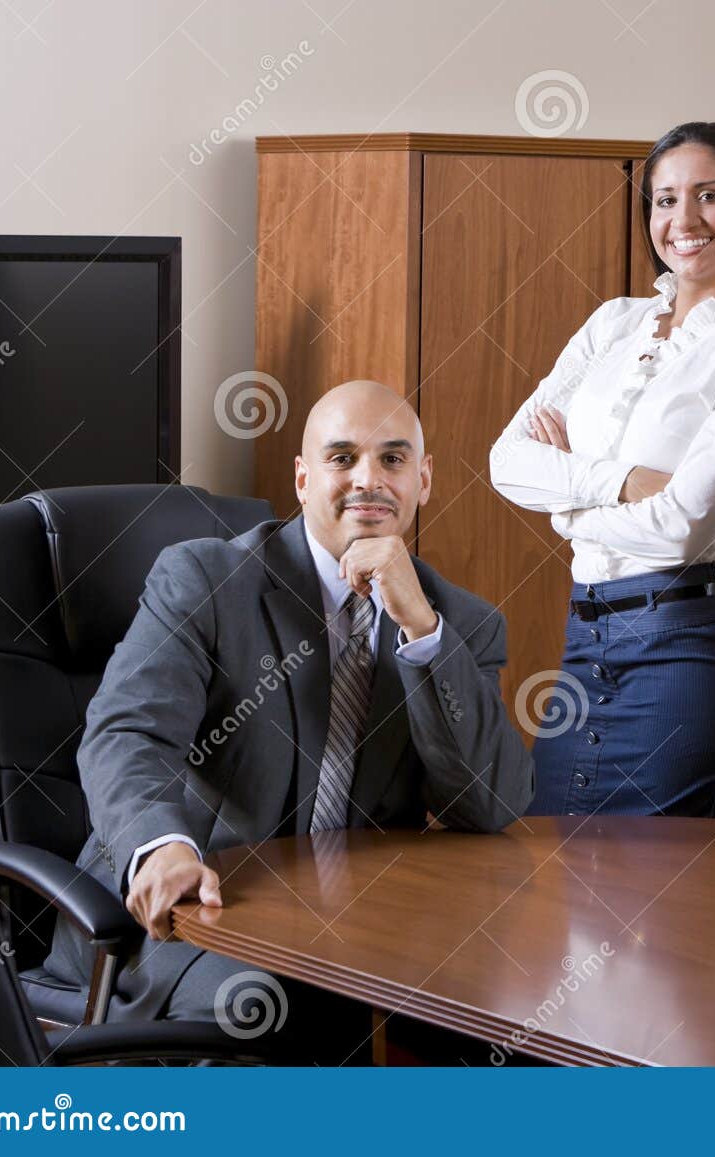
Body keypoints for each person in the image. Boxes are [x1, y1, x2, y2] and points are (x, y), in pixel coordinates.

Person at [45, 380, 533, 1055]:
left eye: (393, 460)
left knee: (507, 1017)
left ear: (423, 482)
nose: (369, 479)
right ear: (303, 480)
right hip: (195, 925)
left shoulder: (461, 624)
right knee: (282, 1015)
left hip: (357, 932)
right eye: (342, 458)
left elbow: (491, 802)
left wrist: (420, 630)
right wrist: (161, 845)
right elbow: (128, 734)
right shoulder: (209, 580)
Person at [490, 122, 715, 819]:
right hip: (584, 640)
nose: (682, 220)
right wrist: (623, 482)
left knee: (670, 906)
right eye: (663, 200)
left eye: (709, 196)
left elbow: (680, 529)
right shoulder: (612, 324)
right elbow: (506, 460)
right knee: (565, 880)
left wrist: (565, 498)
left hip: (687, 649)